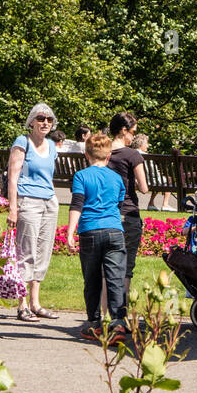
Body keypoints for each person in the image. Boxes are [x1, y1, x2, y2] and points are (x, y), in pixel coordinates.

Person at [66, 132, 128, 343]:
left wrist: (70, 232)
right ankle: (118, 322)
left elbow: (77, 204)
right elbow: (119, 204)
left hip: (89, 231)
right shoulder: (117, 178)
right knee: (115, 278)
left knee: (92, 279)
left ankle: (93, 323)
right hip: (114, 230)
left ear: (86, 154)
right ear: (109, 155)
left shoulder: (82, 176)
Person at [6, 103, 61, 321]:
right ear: (31, 122)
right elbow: (13, 176)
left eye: (49, 120)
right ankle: (22, 305)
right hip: (28, 201)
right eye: (40, 118)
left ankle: (35, 303)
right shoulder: (23, 142)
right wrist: (13, 207)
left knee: (43, 251)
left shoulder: (52, 146)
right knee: (26, 252)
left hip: (49, 201)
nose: (45, 123)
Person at [106, 112, 151, 295]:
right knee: (127, 265)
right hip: (129, 212)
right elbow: (144, 188)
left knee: (108, 263)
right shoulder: (132, 155)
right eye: (133, 132)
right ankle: (121, 307)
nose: (133, 136)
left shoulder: (103, 152)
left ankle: (106, 307)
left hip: (107, 213)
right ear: (123, 131)